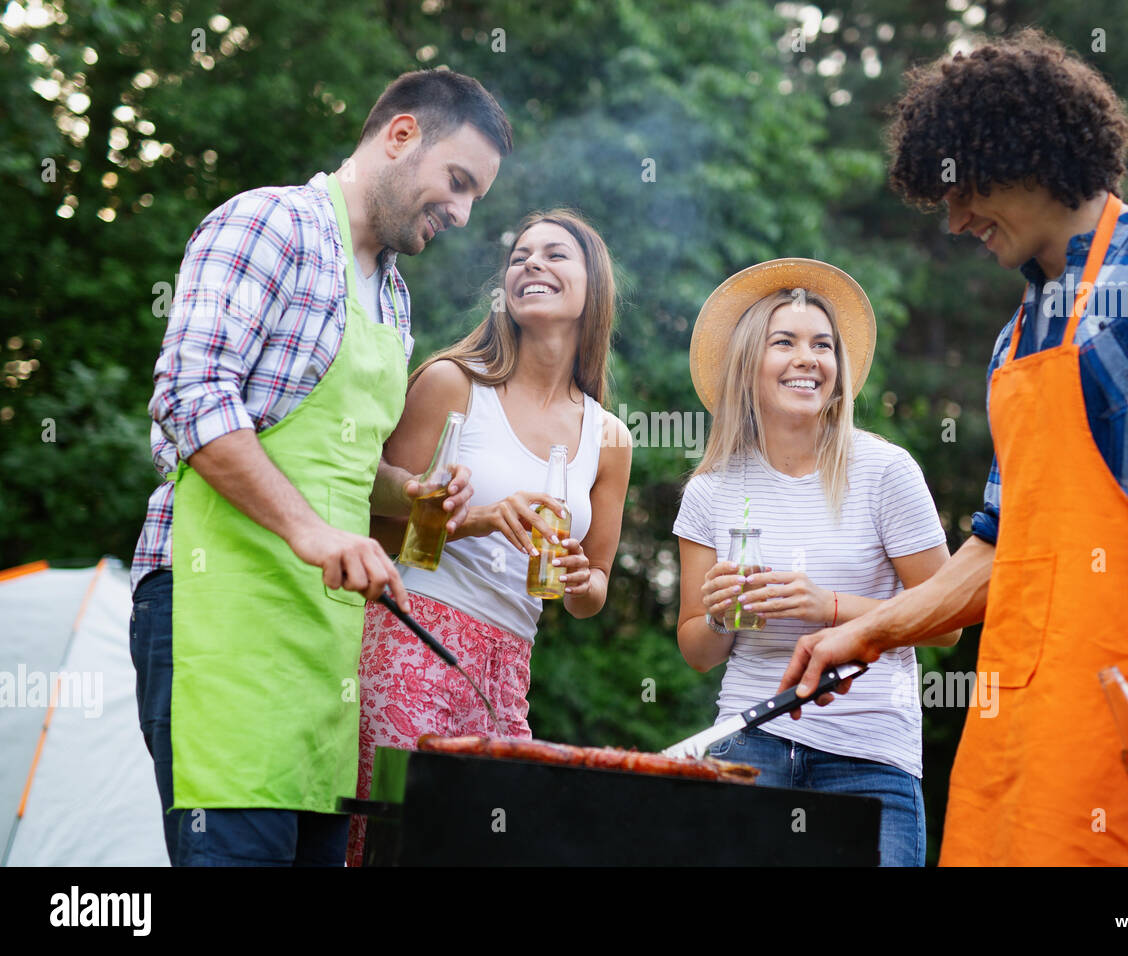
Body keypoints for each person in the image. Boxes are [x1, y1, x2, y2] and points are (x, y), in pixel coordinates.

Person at [780, 30, 1128, 866]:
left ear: (1029, 153)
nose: (953, 220)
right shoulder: (1017, 337)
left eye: (964, 188)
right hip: (1009, 742)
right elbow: (1001, 546)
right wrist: (871, 631)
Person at [129, 69, 512, 866]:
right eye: (458, 182)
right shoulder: (271, 224)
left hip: (324, 652)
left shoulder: (395, 299)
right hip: (220, 608)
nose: (464, 212)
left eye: (477, 196)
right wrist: (308, 531)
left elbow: (339, 458)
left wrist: (412, 493)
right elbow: (192, 396)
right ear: (401, 135)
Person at [347, 208, 633, 866]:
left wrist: (582, 580)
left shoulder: (608, 438)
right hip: (413, 637)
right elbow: (375, 522)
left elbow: (593, 590)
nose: (531, 262)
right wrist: (477, 516)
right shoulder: (454, 384)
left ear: (594, 289)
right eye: (520, 255)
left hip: (510, 667)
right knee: (398, 843)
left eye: (555, 254)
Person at [674, 259, 958, 867]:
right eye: (786, 342)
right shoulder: (711, 490)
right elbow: (698, 651)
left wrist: (827, 607)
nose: (808, 358)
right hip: (749, 744)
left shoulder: (885, 471)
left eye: (822, 345)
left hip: (870, 758)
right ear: (750, 362)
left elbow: (948, 620)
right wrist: (721, 615)